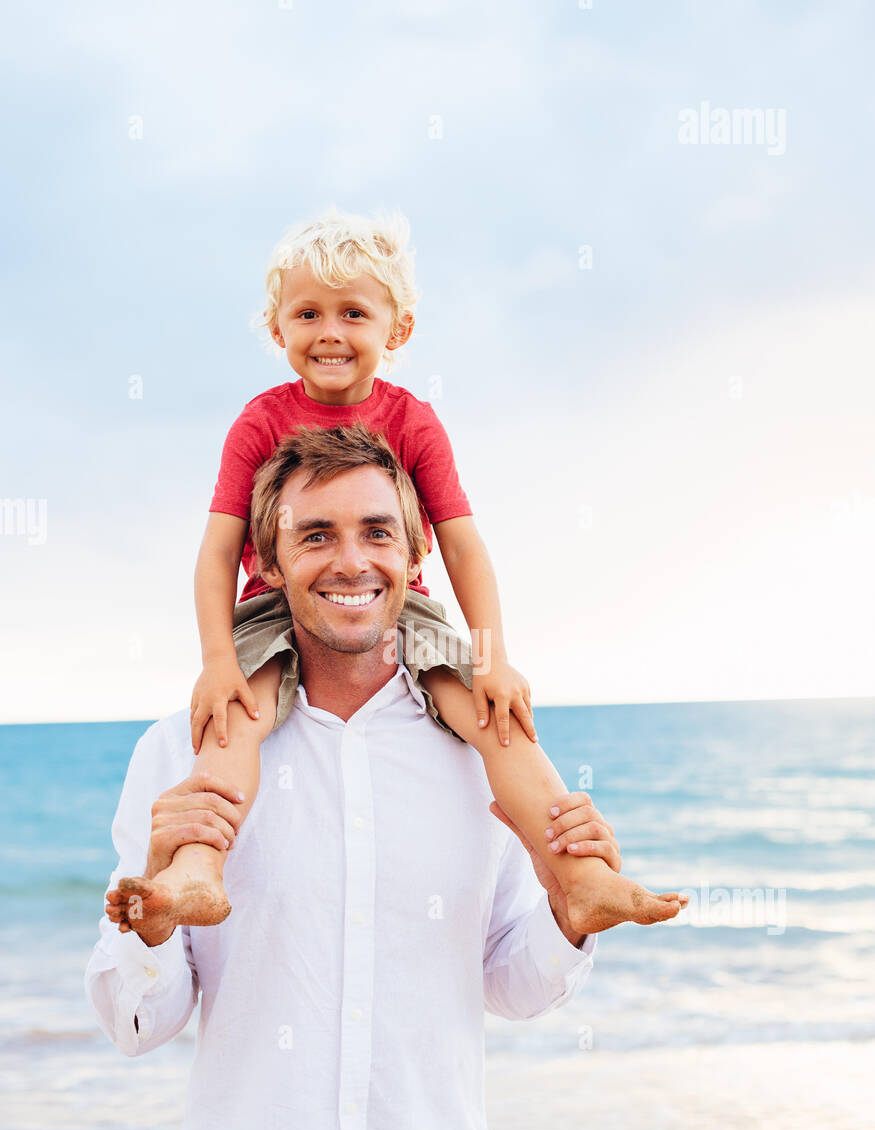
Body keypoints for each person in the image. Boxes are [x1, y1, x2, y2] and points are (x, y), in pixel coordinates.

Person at [86, 427, 686, 1130]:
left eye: (375, 532)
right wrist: (150, 925)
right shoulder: (189, 749)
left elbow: (510, 986)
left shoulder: (481, 743)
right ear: (270, 559)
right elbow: (137, 1026)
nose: (349, 561)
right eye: (315, 535)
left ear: (414, 558)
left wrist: (564, 918)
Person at [108, 207, 685, 943]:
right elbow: (219, 550)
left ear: (397, 330)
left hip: (399, 607)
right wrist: (218, 660)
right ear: (276, 327)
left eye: (353, 313)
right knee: (234, 724)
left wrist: (490, 657)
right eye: (307, 313)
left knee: (494, 721)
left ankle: (580, 880)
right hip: (270, 603)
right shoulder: (258, 423)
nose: (329, 332)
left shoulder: (412, 421)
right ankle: (194, 871)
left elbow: (462, 546)